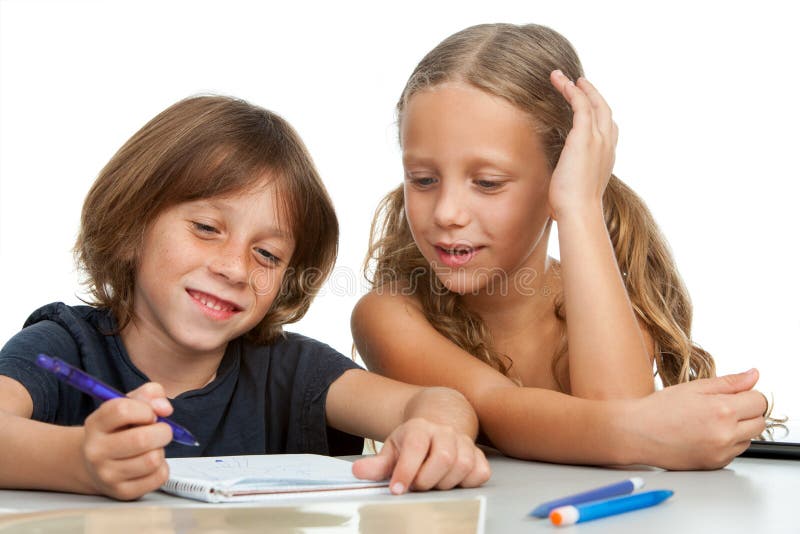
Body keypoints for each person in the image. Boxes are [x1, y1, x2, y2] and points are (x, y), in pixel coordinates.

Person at [0, 95, 490, 501]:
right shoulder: (61, 347)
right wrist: (80, 461)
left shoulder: (288, 371)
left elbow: (438, 401)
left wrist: (436, 431)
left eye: (267, 254)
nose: (235, 268)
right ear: (131, 228)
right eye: (207, 228)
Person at [352, 23, 768, 470]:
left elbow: (620, 409)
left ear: (561, 174)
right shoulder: (389, 315)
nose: (447, 212)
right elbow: (519, 414)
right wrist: (650, 432)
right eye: (424, 180)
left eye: (488, 183)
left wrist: (580, 203)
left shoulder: (601, 304)